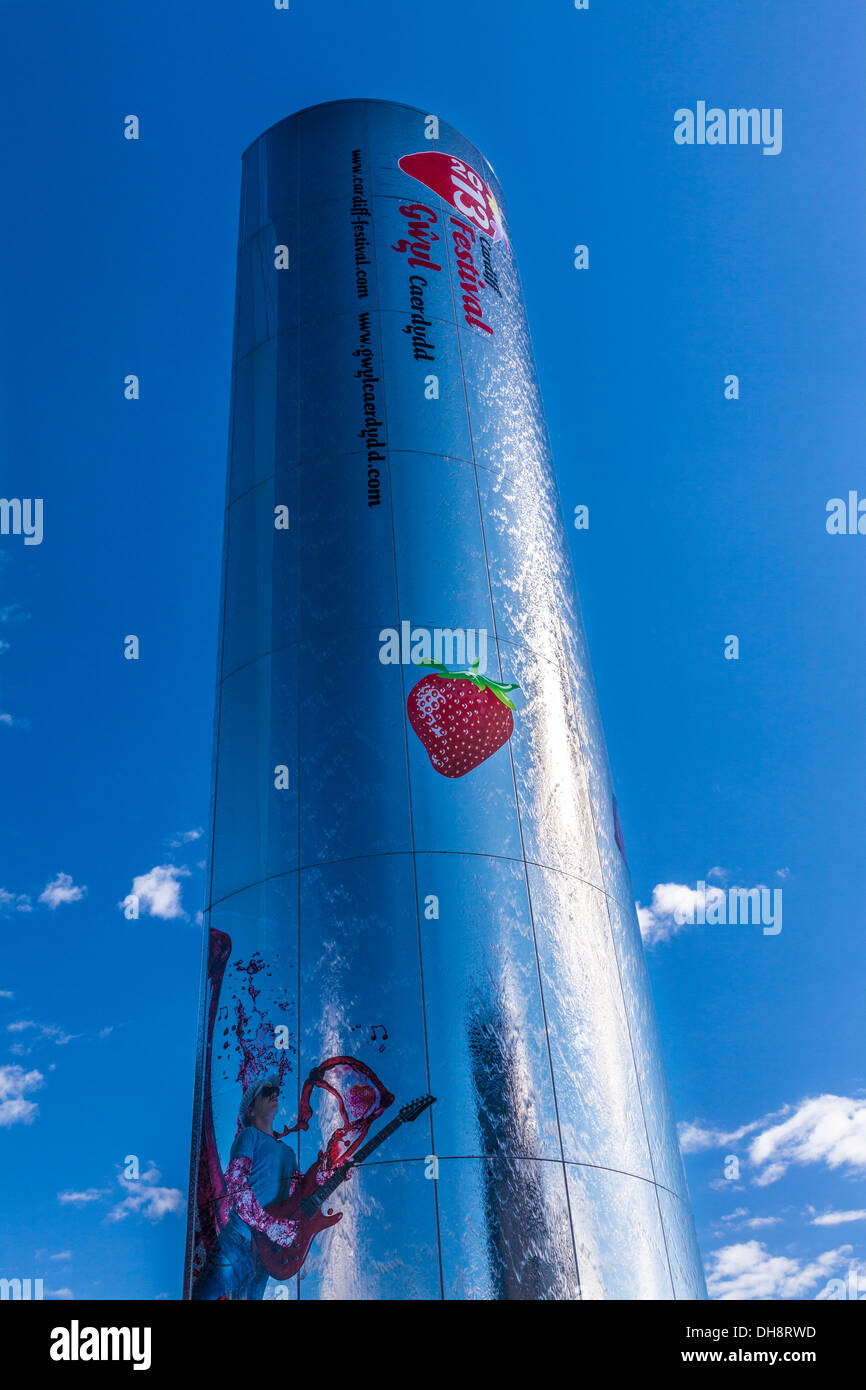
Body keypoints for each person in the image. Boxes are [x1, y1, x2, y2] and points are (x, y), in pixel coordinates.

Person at [192, 1074, 300, 1301]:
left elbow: (298, 1197)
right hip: (239, 1240)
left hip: (265, 1254)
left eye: (276, 1092)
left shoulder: (289, 1153)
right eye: (266, 1092)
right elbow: (237, 1185)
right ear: (249, 1111)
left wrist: (330, 1173)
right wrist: (270, 1227)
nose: (274, 1094)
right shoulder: (249, 1135)